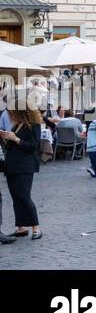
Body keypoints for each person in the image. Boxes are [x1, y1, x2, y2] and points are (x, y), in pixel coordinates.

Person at [0, 103, 42, 241]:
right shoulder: (17, 124)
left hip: (25, 165)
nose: (10, 115)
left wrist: (15, 138)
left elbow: (32, 146)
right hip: (12, 165)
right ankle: (21, 226)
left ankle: (36, 226)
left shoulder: (34, 125)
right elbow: (12, 146)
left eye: (12, 112)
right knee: (16, 197)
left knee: (24, 196)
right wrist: (5, 138)